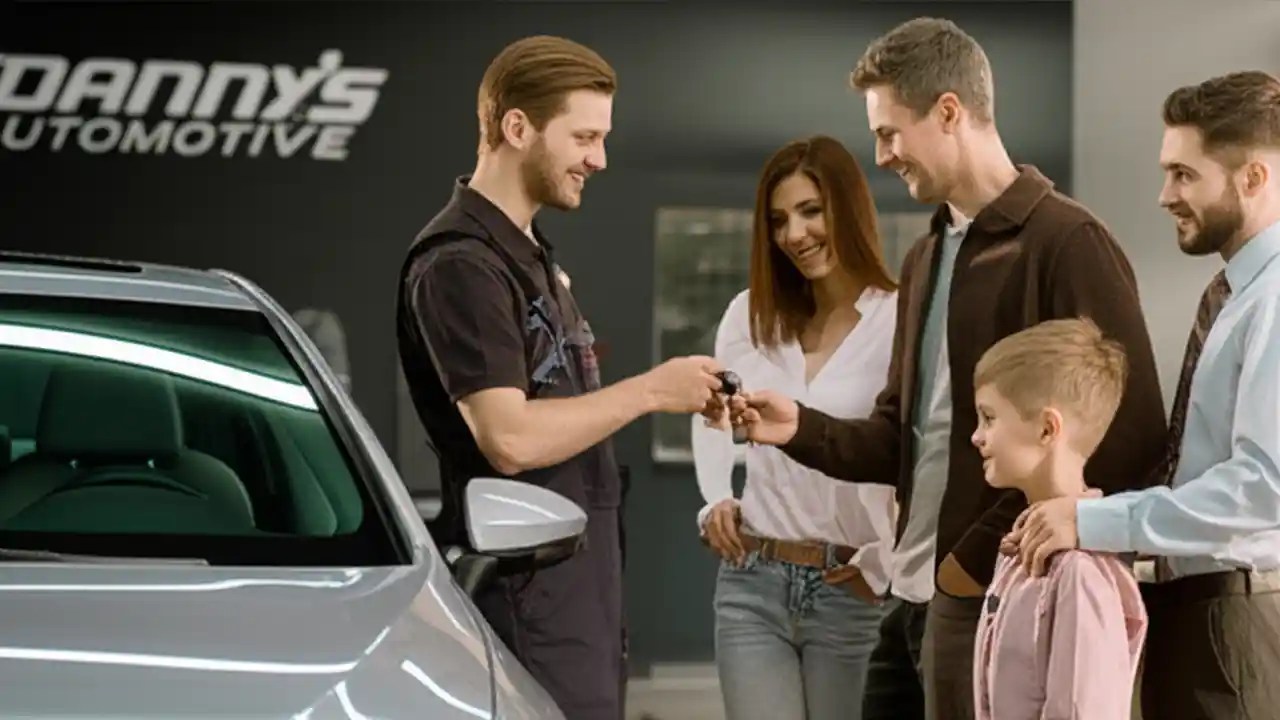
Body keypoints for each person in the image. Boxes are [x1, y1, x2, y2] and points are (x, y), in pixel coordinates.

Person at [712, 17, 1167, 720]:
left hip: (986, 596)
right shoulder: (927, 257)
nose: (883, 154)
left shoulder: (1067, 242)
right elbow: (901, 438)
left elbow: (1131, 439)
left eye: (890, 132)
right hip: (911, 594)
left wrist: (972, 562)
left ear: (949, 111)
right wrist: (798, 426)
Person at [395, 35, 724, 720]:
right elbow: (508, 438)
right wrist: (653, 391)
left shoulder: (530, 258)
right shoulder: (461, 266)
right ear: (517, 127)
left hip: (577, 585)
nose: (598, 159)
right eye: (583, 137)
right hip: (528, 597)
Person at [1004, 70, 1280, 720]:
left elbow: (1267, 483)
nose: (1164, 195)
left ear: (1254, 178)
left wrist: (1093, 521)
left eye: (1184, 174)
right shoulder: (1237, 297)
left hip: (1230, 620)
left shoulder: (1272, 302)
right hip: (1199, 613)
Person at [693, 135, 899, 720]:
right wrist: (714, 500)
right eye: (779, 220)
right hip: (751, 583)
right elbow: (709, 411)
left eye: (811, 211)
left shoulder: (897, 319)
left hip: (851, 590)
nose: (794, 234)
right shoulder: (747, 315)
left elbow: (917, 450)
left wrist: (882, 564)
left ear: (849, 208)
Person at [969, 318, 1147, 720]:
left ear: (1048, 428)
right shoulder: (1019, 553)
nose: (976, 436)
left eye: (989, 417)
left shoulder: (1081, 573)